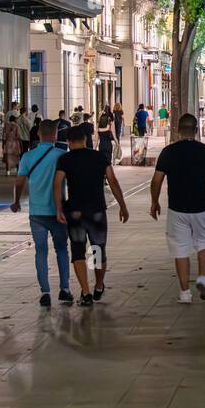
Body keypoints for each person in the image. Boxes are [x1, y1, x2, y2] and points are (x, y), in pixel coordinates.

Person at [151, 113, 205, 303]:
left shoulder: (168, 152)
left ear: (177, 130)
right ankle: (202, 277)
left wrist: (154, 202)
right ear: (196, 130)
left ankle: (185, 293)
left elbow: (156, 181)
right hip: (202, 206)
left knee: (180, 249)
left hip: (177, 208)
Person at [55, 124, 129, 305]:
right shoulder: (98, 157)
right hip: (96, 211)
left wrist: (58, 208)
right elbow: (112, 180)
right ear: (85, 139)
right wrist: (122, 206)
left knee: (78, 251)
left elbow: (57, 184)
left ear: (69, 142)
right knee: (97, 250)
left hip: (75, 213)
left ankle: (86, 292)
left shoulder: (65, 159)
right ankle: (98, 285)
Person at [12, 119, 72, 307]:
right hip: (58, 212)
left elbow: (20, 182)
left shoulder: (28, 157)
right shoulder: (62, 156)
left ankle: (45, 292)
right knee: (62, 249)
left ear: (38, 134)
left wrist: (15, 201)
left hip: (36, 212)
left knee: (41, 251)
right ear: (55, 134)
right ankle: (65, 289)